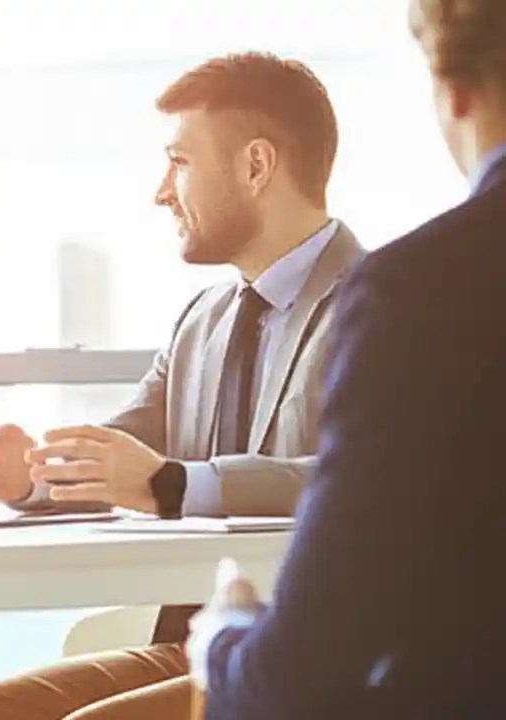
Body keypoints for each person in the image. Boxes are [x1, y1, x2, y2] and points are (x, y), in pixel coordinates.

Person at [0, 53, 364, 720]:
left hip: (319, 657)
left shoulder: (379, 305)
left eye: (179, 161)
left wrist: (174, 484)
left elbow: (356, 480)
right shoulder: (203, 319)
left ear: (256, 165)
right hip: (192, 646)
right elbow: (126, 454)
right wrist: (34, 476)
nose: (162, 191)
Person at [188, 2, 506, 717]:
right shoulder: (200, 321)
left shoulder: (418, 294)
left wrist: (220, 639)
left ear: (452, 87)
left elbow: (305, 670)